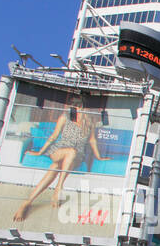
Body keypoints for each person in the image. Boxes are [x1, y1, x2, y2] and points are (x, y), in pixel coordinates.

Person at [12, 92, 102, 223]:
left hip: (77, 156)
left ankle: (27, 201)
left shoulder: (90, 122)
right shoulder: (65, 117)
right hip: (59, 150)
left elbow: (93, 141)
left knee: (55, 166)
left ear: (83, 107)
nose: (74, 108)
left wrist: (99, 157)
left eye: (77, 106)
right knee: (70, 152)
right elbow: (54, 136)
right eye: (72, 106)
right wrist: (39, 153)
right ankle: (59, 187)